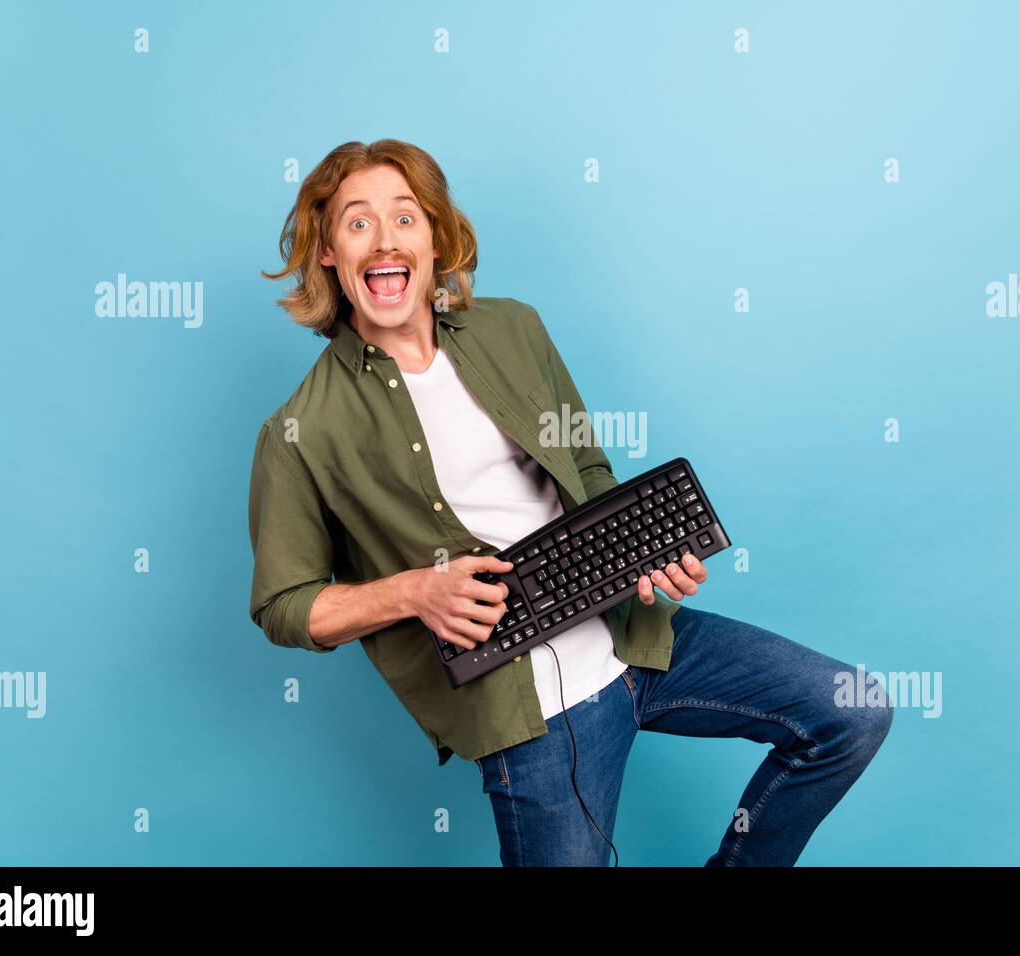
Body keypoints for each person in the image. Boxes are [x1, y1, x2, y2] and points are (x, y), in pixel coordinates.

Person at [249, 138, 894, 866]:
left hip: (636, 636)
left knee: (852, 708)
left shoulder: (512, 327)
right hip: (526, 718)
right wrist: (415, 592)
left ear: (433, 236)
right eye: (357, 222)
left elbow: (585, 462)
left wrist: (651, 557)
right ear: (328, 251)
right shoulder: (300, 430)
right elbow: (284, 604)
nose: (385, 239)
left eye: (405, 217)